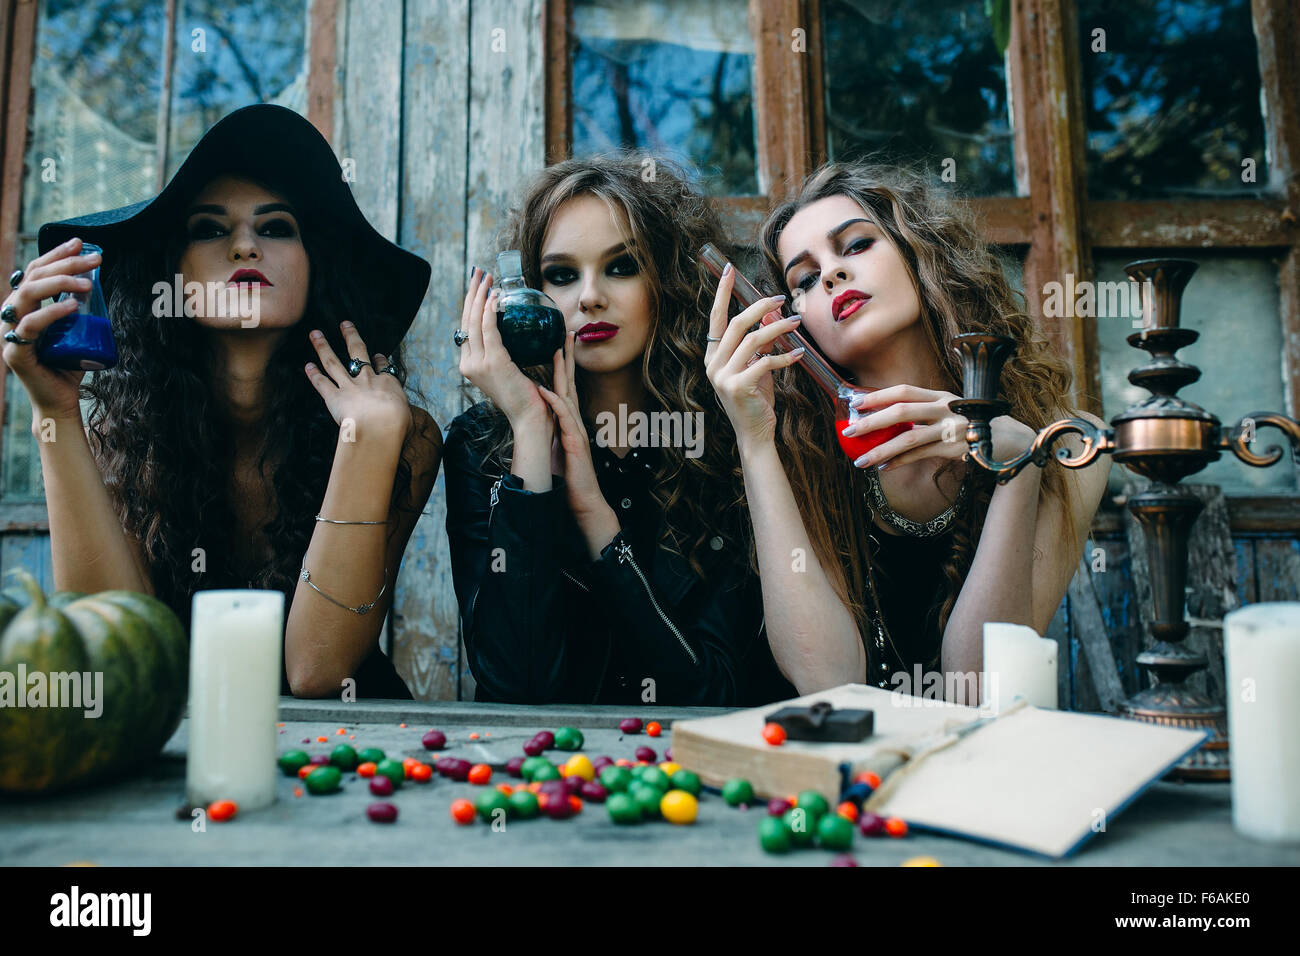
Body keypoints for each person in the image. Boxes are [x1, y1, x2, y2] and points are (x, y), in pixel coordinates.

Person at [1, 104, 441, 699]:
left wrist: (365, 442)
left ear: (316, 268)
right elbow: (114, 655)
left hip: (355, 747)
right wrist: (54, 415)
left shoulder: (403, 435)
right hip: (180, 752)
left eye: (276, 227)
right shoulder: (123, 440)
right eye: (209, 228)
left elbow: (317, 671)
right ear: (173, 273)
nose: (244, 246)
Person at [706, 162, 1111, 703]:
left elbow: (978, 689)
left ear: (921, 253)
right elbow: (828, 682)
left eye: (854, 246)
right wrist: (755, 444)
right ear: (791, 323)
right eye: (803, 279)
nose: (829, 276)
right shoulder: (794, 448)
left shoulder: (1067, 445)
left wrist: (1016, 465)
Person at [444, 155, 784, 706]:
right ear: (531, 290)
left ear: (667, 280)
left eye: (621, 266)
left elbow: (714, 689)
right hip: (540, 781)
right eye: (561, 275)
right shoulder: (480, 445)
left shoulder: (728, 438)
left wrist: (598, 525)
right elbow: (516, 683)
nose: (589, 297)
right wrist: (532, 433)